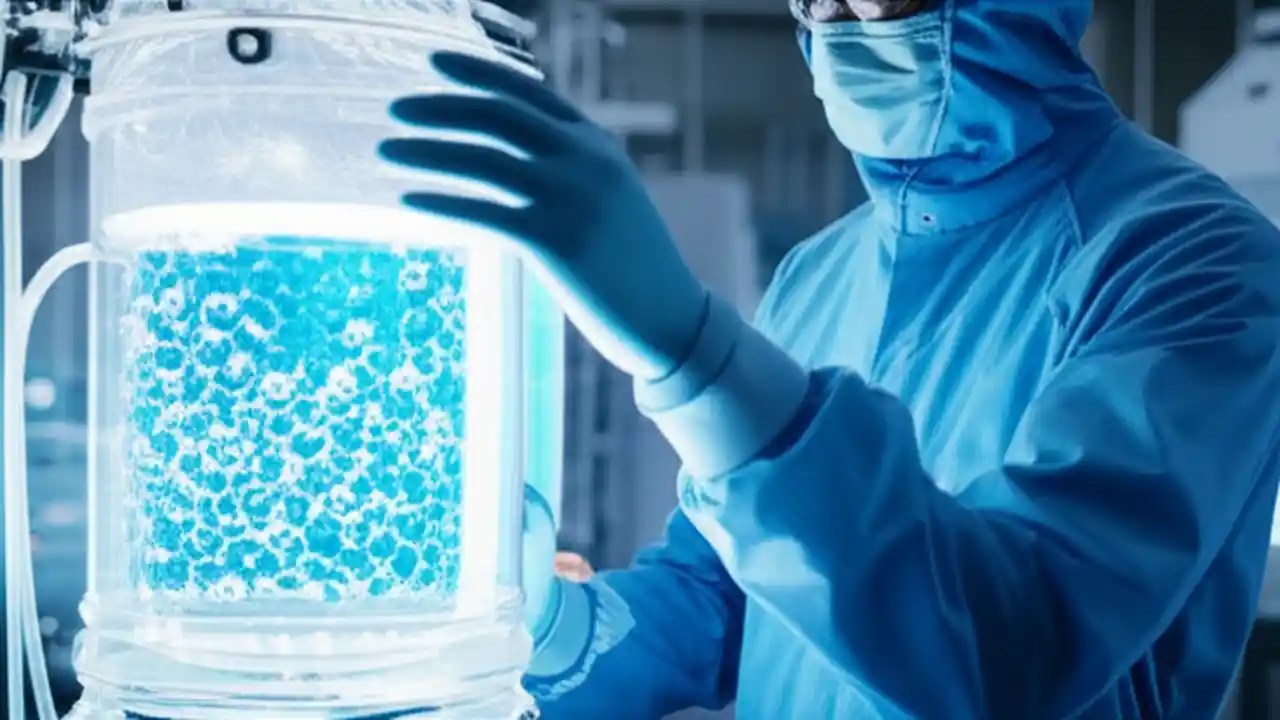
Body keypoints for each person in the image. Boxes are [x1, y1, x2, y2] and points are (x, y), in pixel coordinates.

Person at [379, 0, 1280, 716]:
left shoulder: (1191, 258)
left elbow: (1011, 654)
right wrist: (557, 624)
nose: (841, 23)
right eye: (817, 1)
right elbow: (724, 604)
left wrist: (697, 357)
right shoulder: (820, 271)